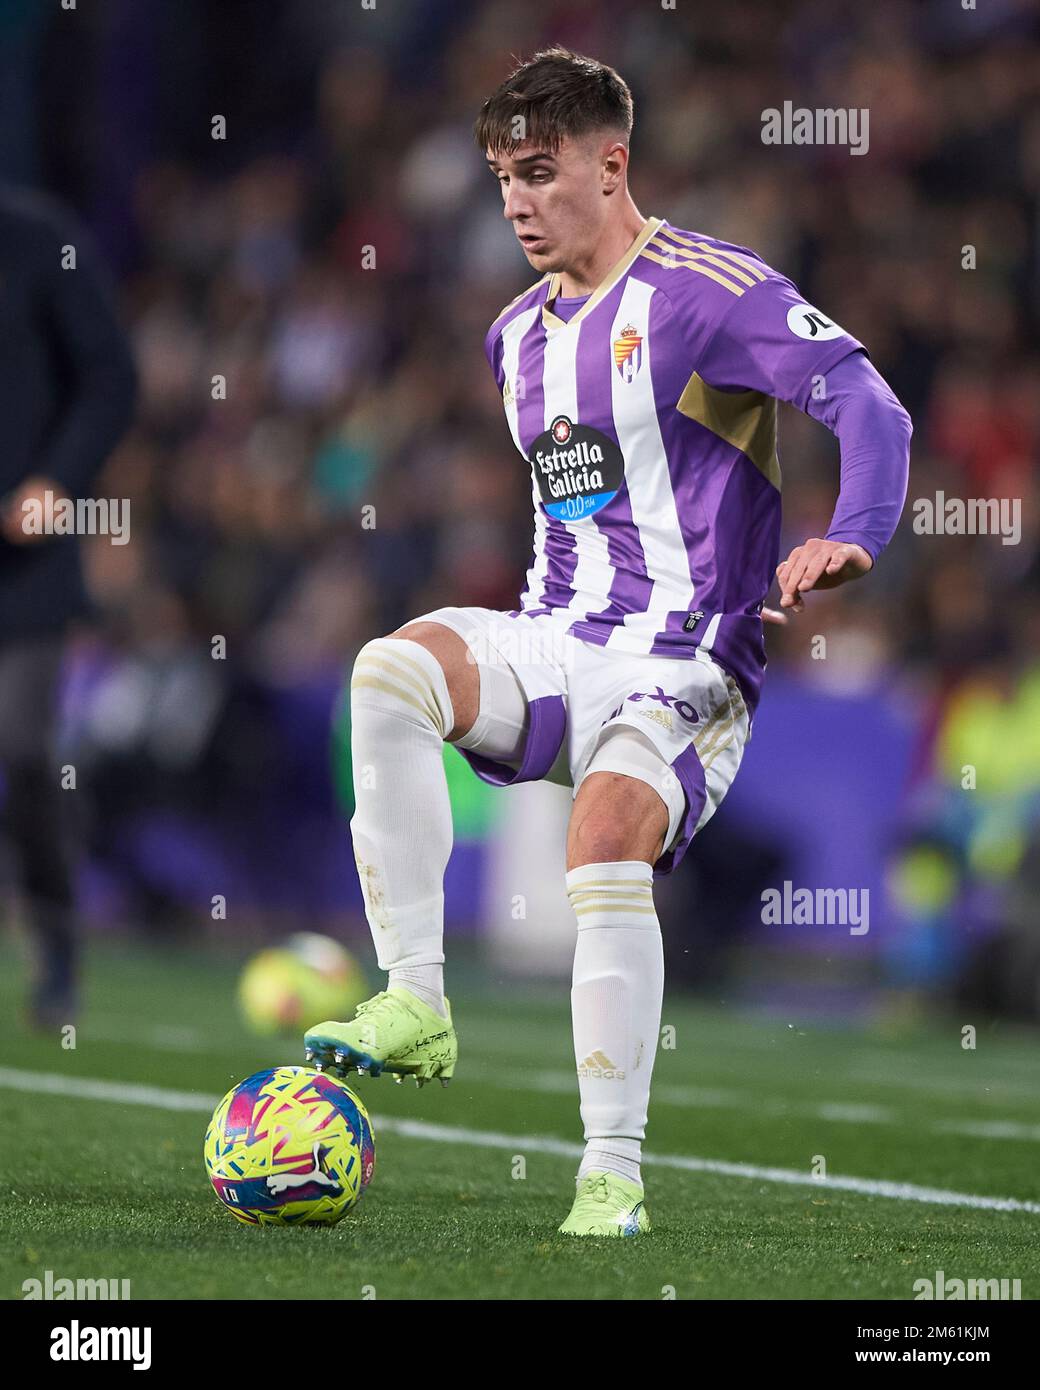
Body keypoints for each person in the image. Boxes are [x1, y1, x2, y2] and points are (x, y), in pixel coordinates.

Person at [304, 48, 911, 1236]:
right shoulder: (512, 339)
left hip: (689, 661)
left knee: (602, 839)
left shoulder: (706, 292)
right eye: (501, 180)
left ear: (610, 161)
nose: (517, 202)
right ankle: (415, 998)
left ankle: (610, 1173)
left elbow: (864, 400)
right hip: (559, 638)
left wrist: (852, 535)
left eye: (539, 172)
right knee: (386, 671)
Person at [0, 184, 137, 1027]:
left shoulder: (38, 240)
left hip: (27, 563)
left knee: (19, 748)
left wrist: (57, 481)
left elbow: (110, 377)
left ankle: (54, 949)